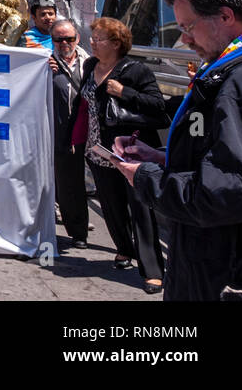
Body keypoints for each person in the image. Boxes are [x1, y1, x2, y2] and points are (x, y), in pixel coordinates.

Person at [118, 0, 242, 300]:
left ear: (225, 16)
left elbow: (224, 193)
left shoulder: (237, 80)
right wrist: (164, 157)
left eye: (188, 27)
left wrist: (146, 178)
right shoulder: (229, 70)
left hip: (219, 271)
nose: (185, 40)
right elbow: (222, 156)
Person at [82, 17, 166, 294]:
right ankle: (123, 249)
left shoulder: (136, 70)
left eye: (99, 38)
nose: (93, 42)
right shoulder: (90, 66)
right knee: (112, 206)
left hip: (131, 151)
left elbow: (158, 107)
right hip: (98, 149)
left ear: (117, 43)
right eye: (93, 37)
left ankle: (152, 270)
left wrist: (125, 92)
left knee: (141, 209)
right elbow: (83, 105)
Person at [48, 18, 90, 248]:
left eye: (69, 38)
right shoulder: (45, 63)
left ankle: (124, 241)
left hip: (92, 132)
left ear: (78, 39)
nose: (64, 43)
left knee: (105, 187)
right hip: (63, 132)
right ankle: (78, 232)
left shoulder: (91, 62)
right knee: (68, 185)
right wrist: (44, 71)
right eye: (59, 39)